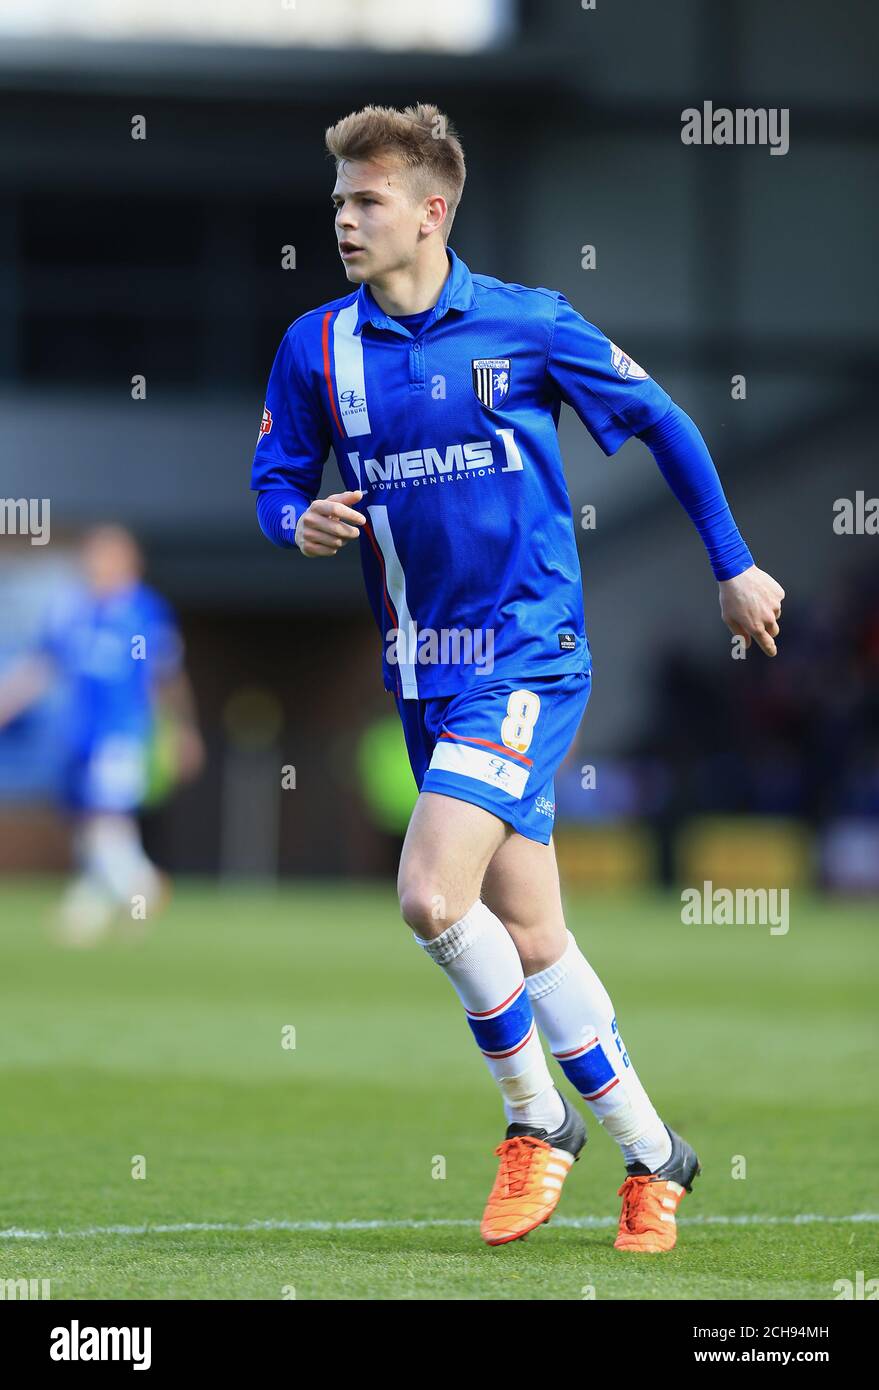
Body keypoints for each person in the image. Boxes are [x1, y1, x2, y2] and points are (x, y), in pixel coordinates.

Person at [251, 104, 785, 1252]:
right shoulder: (316, 348)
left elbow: (663, 422)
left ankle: (538, 1120)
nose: (344, 219)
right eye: (340, 200)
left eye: (367, 200)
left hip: (526, 655)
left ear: (431, 212)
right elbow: (274, 476)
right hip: (421, 672)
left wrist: (733, 565)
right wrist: (296, 518)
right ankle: (656, 1150)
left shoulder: (528, 326)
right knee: (532, 933)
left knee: (432, 898)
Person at [0, 526, 203, 944]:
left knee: (106, 816)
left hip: (122, 733)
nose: (96, 564)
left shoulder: (144, 611)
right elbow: (42, 665)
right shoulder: (73, 611)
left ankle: (139, 885)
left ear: (129, 561)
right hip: (79, 734)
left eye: (106, 555)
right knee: (88, 823)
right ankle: (89, 906)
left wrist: (182, 730)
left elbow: (164, 676)